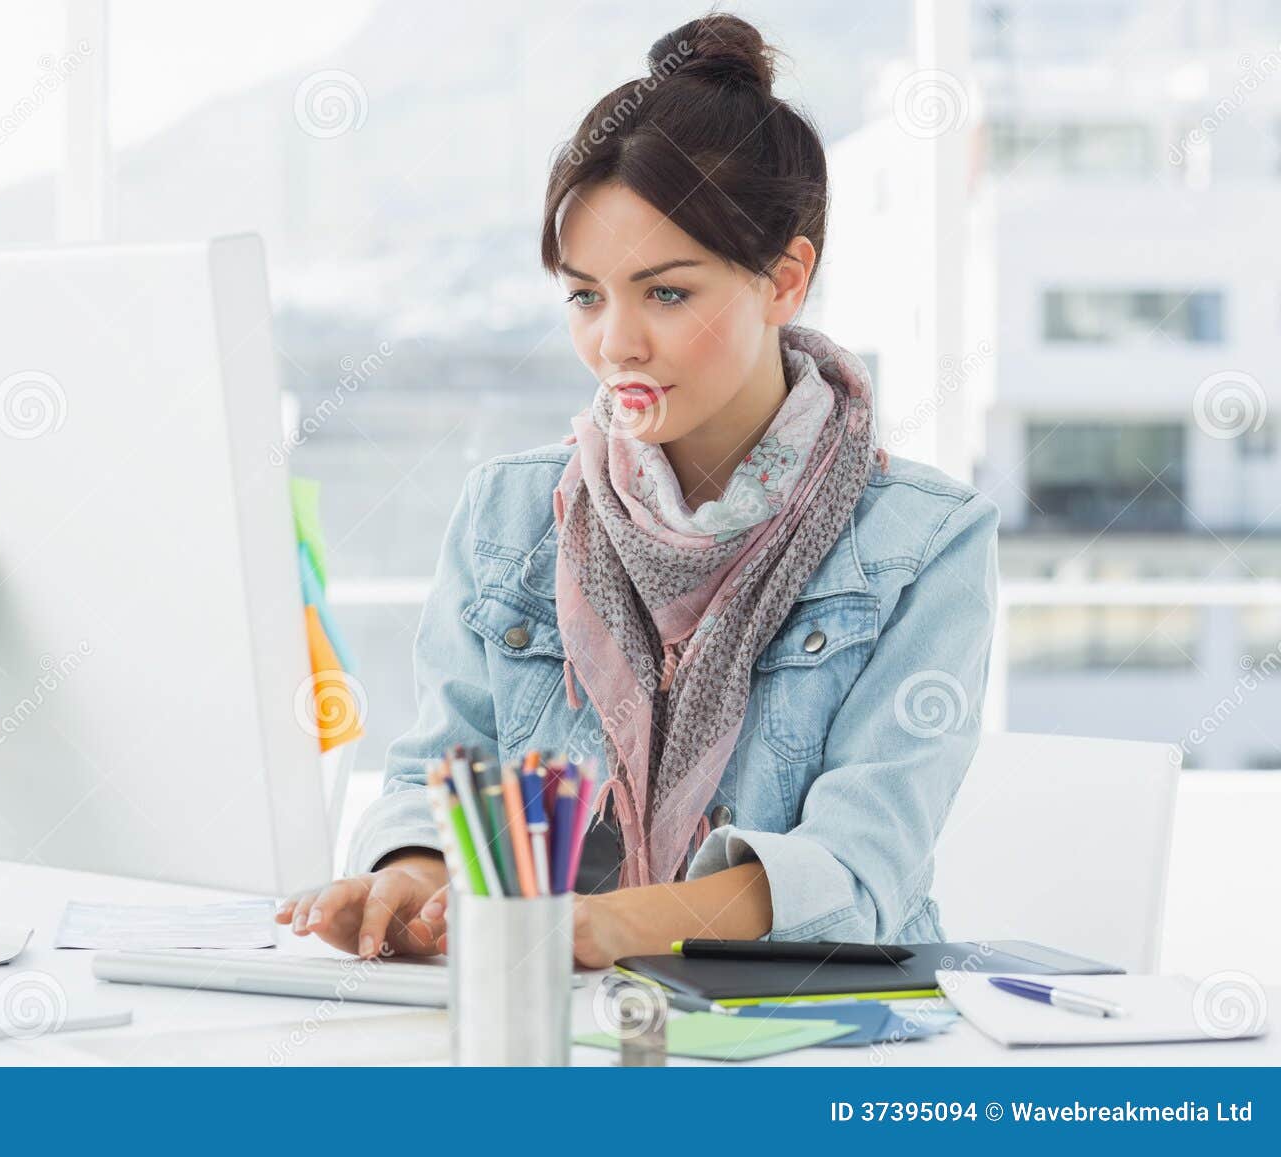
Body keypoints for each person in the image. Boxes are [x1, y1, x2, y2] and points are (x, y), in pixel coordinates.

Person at [275, 12, 999, 968]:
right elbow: (439, 771)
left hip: (811, 1036)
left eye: (666, 293)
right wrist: (410, 876)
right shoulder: (508, 515)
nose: (615, 343)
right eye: (585, 295)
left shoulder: (924, 543)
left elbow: (861, 869)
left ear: (785, 279)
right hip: (555, 1030)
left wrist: (615, 922)